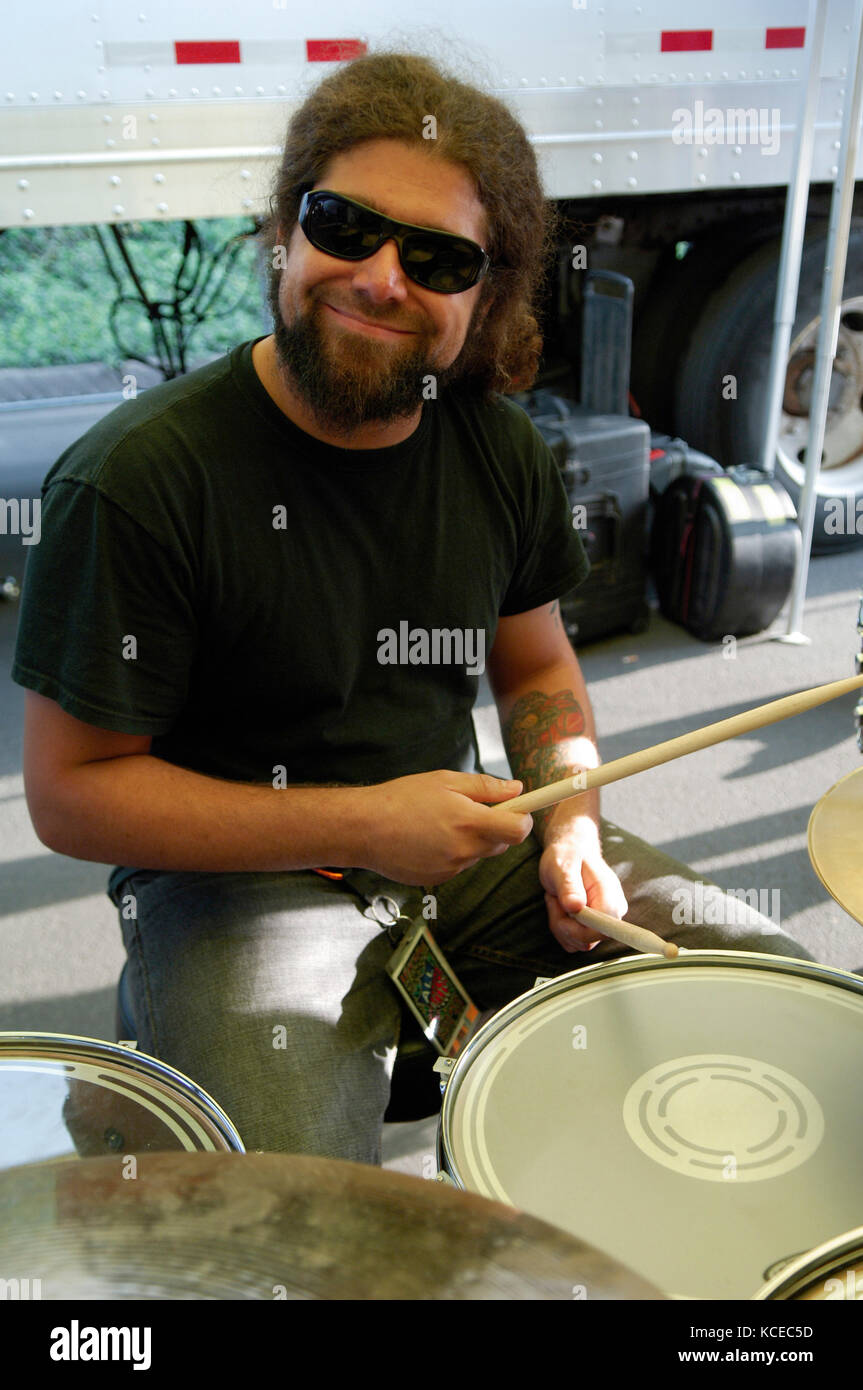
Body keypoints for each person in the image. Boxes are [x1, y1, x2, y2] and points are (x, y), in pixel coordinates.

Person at [12, 51, 814, 1164]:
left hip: (456, 845)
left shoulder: (497, 448)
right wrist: (362, 821)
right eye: (344, 226)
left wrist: (570, 824)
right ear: (283, 231)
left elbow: (535, 669)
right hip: (231, 885)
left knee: (787, 1009)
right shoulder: (136, 481)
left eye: (438, 257)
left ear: (485, 296)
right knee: (299, 1212)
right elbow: (72, 795)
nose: (382, 278)